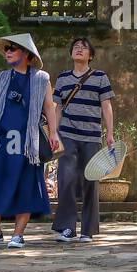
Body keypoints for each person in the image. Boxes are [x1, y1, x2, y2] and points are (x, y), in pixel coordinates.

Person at [0, 33, 63, 249]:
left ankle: (18, 235)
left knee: (26, 186)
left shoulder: (41, 79)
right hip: (1, 141)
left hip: (28, 142)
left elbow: (49, 107)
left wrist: (54, 132)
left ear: (26, 54)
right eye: (7, 48)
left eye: (13, 48)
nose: (8, 52)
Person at [50, 37, 115, 242]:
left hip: (92, 136)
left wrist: (110, 133)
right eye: (76, 47)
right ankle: (67, 227)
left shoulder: (100, 77)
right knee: (66, 178)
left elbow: (106, 106)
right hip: (67, 134)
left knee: (91, 181)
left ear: (91, 55)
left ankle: (88, 230)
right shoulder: (63, 78)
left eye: (84, 47)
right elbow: (58, 108)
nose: (79, 49)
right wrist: (54, 133)